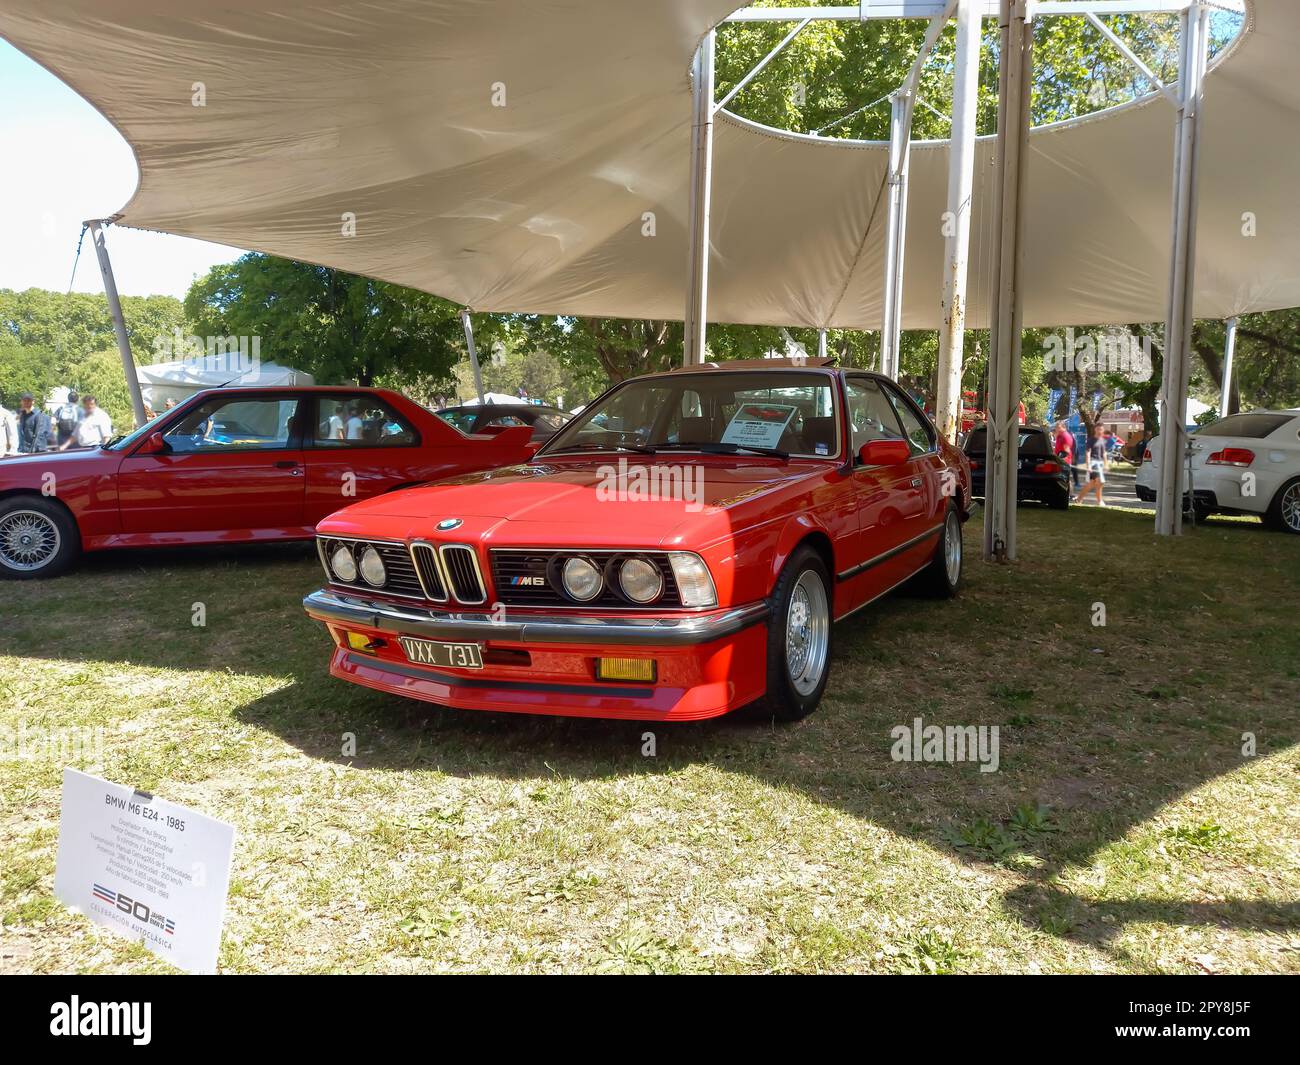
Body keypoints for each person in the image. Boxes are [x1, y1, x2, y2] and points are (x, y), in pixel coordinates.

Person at [1073, 431, 1108, 507]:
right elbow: (1088, 453)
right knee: (1099, 481)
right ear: (1096, 430)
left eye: (1101, 430)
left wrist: (1106, 464)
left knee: (1092, 483)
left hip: (1100, 464)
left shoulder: (1102, 441)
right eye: (1098, 429)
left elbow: (1104, 453)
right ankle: (1099, 501)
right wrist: (1088, 465)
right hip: (1093, 463)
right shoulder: (1091, 441)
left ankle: (1079, 499)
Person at [1053, 420, 1078, 490]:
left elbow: (1067, 450)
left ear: (1063, 427)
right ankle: (1068, 494)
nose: (1056, 429)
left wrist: (1063, 461)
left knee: (1065, 478)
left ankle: (1070, 494)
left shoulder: (1066, 436)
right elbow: (1057, 449)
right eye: (1056, 427)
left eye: (1058, 427)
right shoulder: (1059, 436)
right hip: (1059, 459)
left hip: (1064, 460)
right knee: (1061, 478)